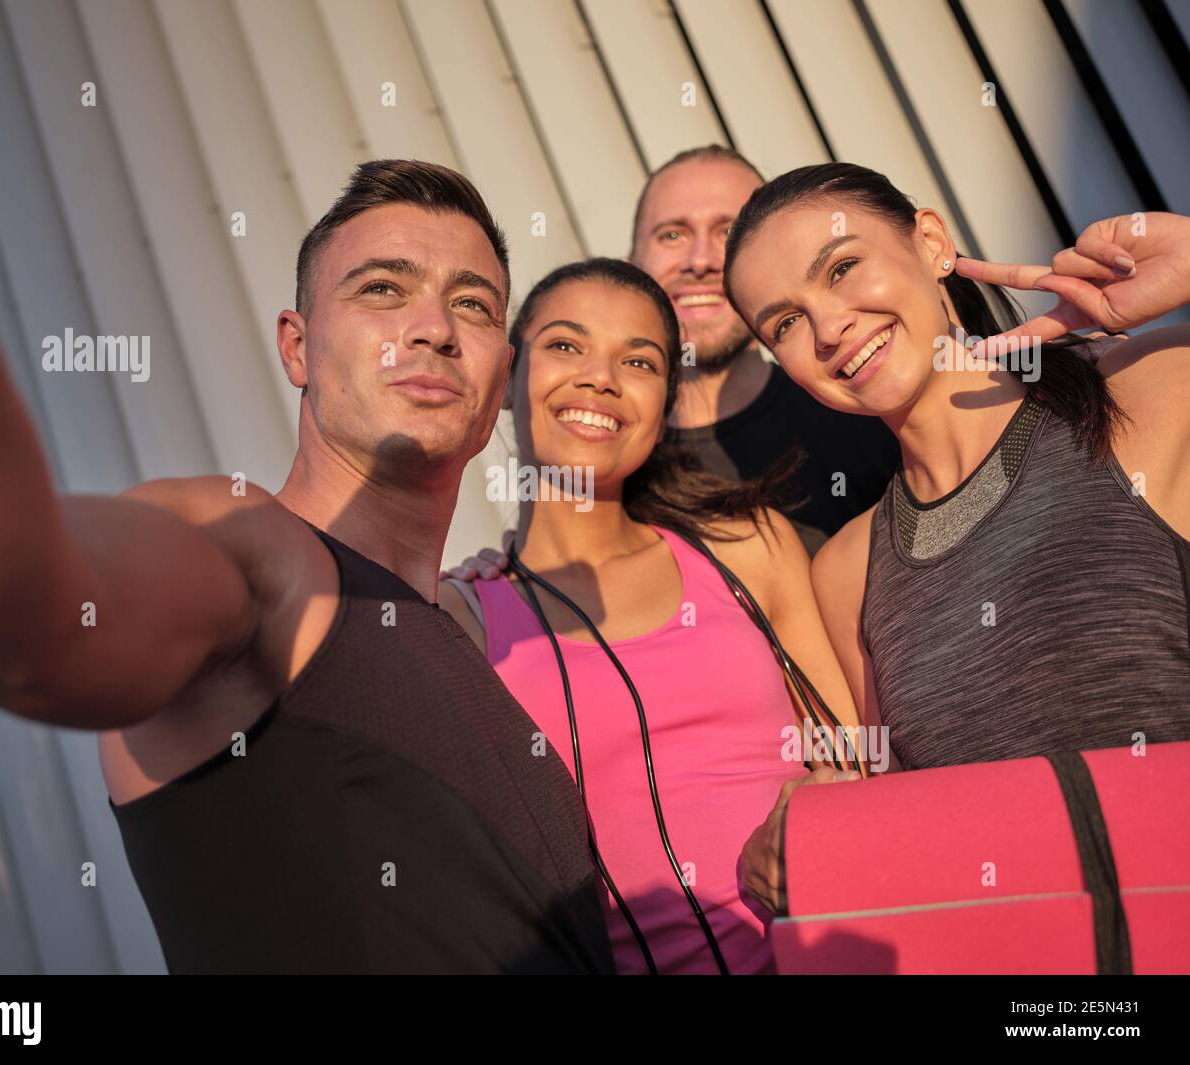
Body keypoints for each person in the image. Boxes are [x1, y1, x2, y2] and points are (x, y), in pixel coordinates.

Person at [0, 5, 613, 974]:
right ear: (297, 346)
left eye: (473, 305)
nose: (434, 327)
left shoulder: (464, 640)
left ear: (500, 377)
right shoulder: (254, 553)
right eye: (382, 289)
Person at [439, 258, 866, 973]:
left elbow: (853, 756)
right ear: (509, 379)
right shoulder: (458, 617)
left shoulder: (748, 545)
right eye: (566, 346)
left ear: (666, 403)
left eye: (637, 360)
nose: (599, 377)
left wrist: (818, 822)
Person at [721, 162, 1190, 775]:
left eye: (842, 268)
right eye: (785, 323)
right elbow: (905, 822)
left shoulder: (1147, 388)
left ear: (932, 243)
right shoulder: (846, 575)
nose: (829, 329)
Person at [631, 146, 902, 547]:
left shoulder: (867, 404)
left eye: (728, 232)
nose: (701, 260)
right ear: (632, 260)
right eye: (672, 234)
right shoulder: (611, 461)